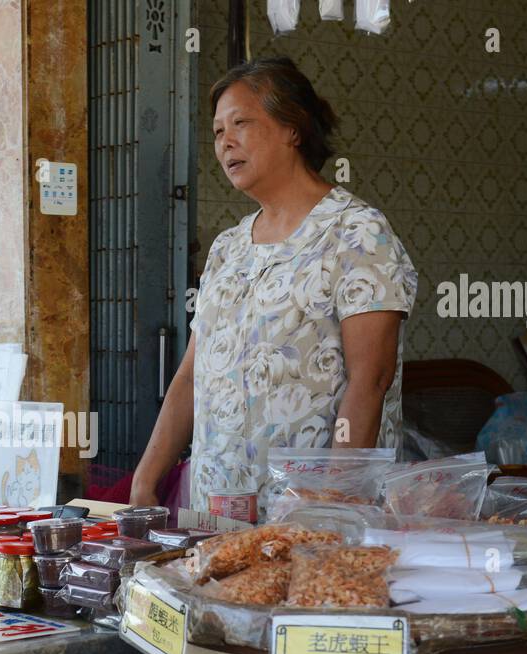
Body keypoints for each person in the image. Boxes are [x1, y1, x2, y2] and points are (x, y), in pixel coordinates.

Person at [131, 57, 417, 511]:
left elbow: (372, 377)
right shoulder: (228, 247)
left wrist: (334, 502)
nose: (226, 142)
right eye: (218, 132)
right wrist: (145, 480)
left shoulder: (356, 232)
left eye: (241, 123)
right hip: (218, 513)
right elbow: (191, 375)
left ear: (293, 129)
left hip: (311, 512)